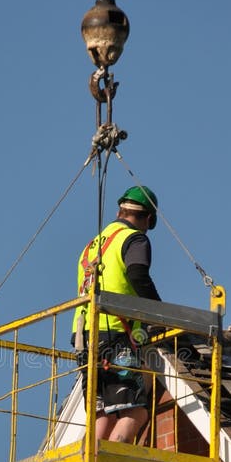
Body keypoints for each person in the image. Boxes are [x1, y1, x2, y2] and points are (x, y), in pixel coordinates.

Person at [72, 185, 161, 443]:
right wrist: (159, 311)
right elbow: (137, 275)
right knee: (136, 412)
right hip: (115, 333)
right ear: (149, 218)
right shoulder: (134, 239)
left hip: (84, 337)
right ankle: (111, 461)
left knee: (102, 413)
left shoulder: (92, 246)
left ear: (119, 210)